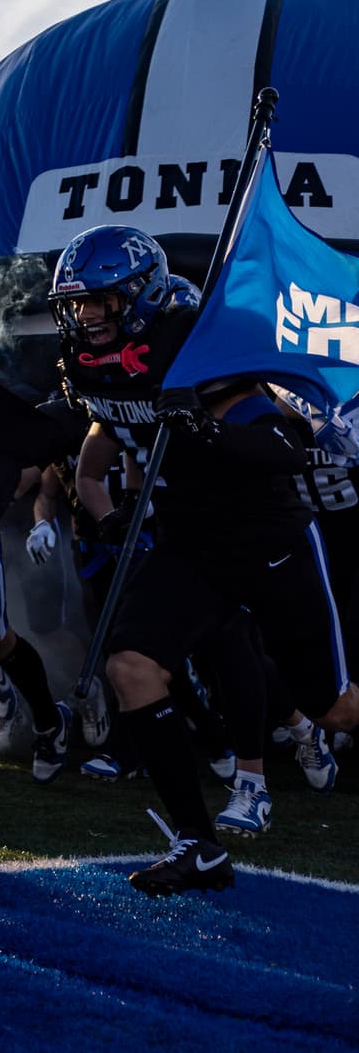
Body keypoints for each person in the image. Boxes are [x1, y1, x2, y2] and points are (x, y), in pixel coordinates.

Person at [54, 223, 358, 897]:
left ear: (140, 294)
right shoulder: (97, 364)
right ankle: (200, 845)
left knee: (333, 709)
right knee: (132, 666)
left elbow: (285, 445)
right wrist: (106, 512)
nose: (88, 317)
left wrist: (205, 424)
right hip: (191, 543)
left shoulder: (195, 346)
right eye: (80, 304)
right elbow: (99, 443)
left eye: (103, 301)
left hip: (266, 537)